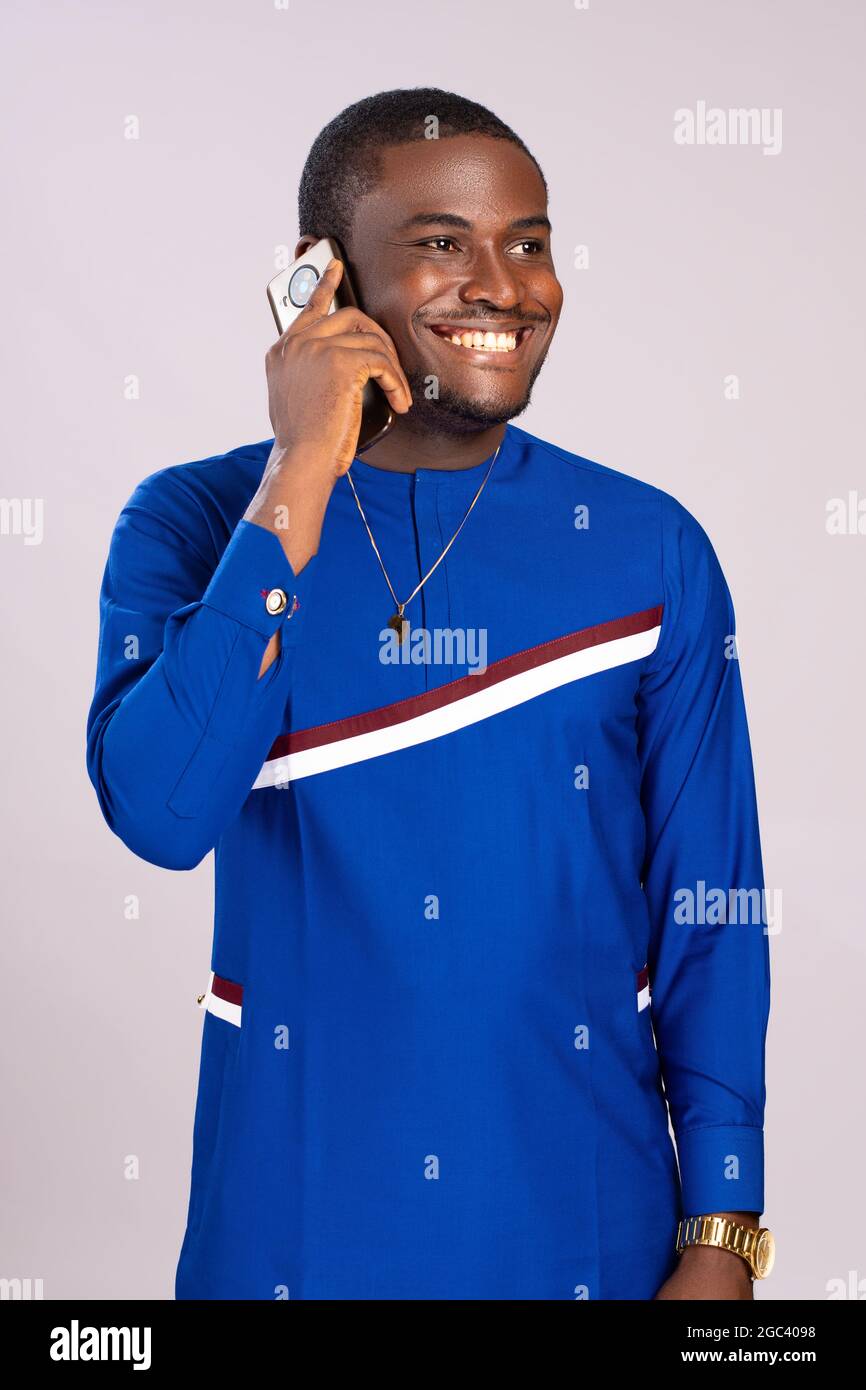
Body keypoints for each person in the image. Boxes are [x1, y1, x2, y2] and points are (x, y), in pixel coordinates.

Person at [85, 87, 772, 1300]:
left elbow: (708, 906)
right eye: (442, 243)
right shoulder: (194, 521)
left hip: (585, 1234)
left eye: (528, 242)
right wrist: (303, 461)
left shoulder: (645, 546)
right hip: (286, 1233)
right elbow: (159, 812)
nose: (503, 285)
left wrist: (723, 1234)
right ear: (325, 279)